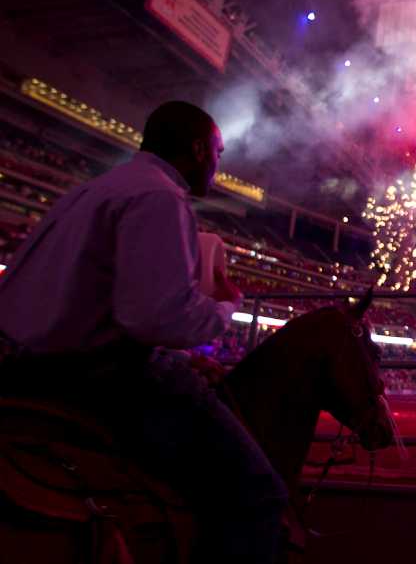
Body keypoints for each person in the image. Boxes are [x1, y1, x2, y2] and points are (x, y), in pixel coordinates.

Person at [0, 101, 288, 562]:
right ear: (197, 149)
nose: (217, 165)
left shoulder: (93, 189)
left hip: (24, 366)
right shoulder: (158, 197)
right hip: (98, 379)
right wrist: (225, 306)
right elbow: (155, 318)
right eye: (217, 152)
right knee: (258, 494)